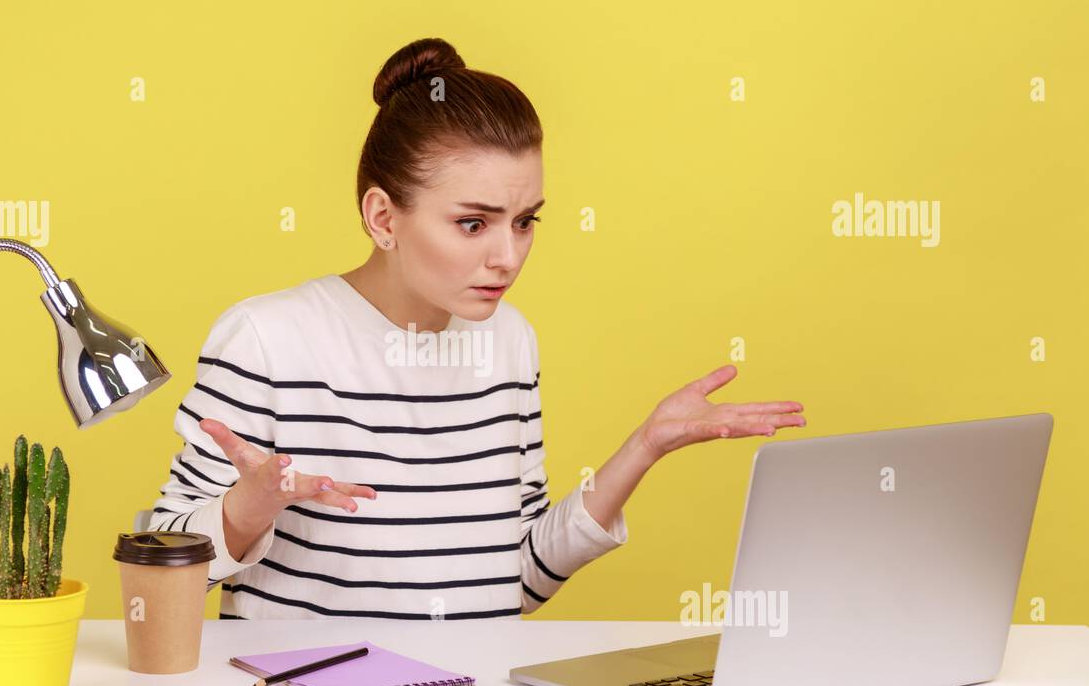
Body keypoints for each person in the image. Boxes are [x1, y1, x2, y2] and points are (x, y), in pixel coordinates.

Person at [147, 37, 806, 620]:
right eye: (473, 223)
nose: (508, 257)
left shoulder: (508, 341)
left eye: (524, 222)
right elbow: (156, 572)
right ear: (383, 218)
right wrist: (247, 509)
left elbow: (510, 581)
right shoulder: (268, 339)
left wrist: (644, 447)